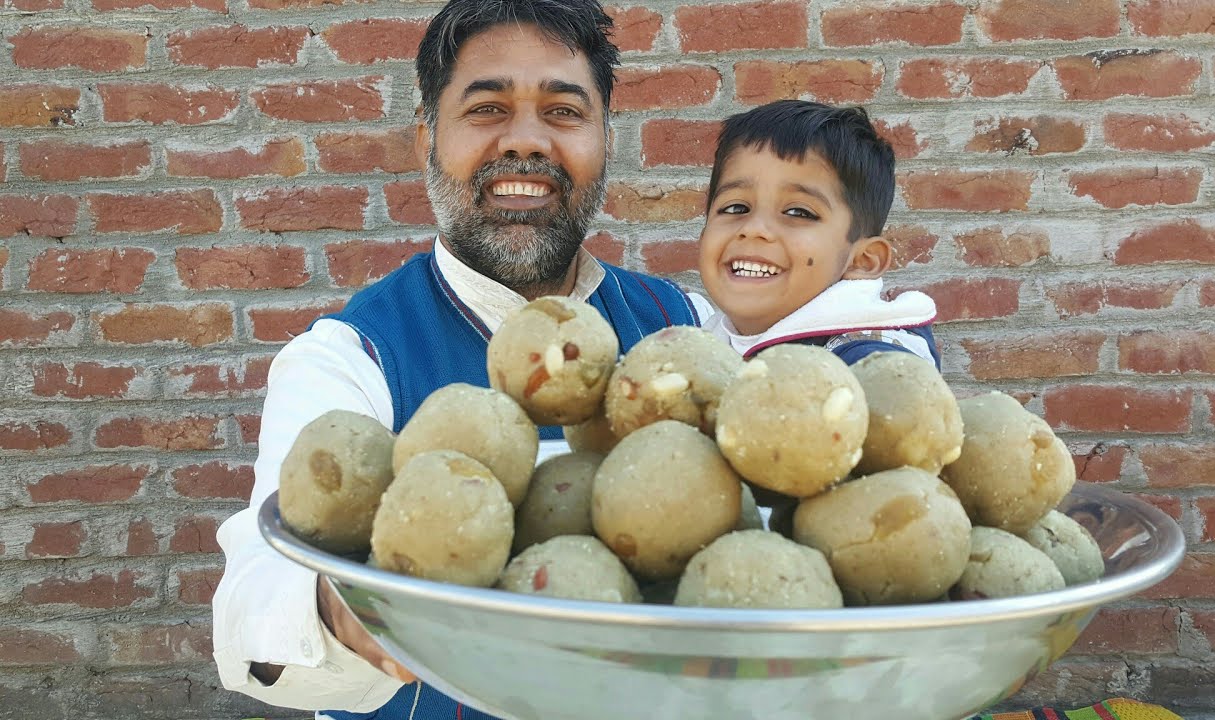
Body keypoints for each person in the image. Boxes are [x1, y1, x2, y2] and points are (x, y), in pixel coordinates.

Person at [211, 1, 711, 717]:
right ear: (426, 138)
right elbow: (252, 609)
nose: (527, 142)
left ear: (606, 139)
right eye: (487, 108)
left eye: (565, 113)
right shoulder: (351, 357)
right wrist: (341, 610)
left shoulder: (684, 327)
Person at [696, 100, 940, 368]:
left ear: (864, 260)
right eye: (735, 207)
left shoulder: (867, 358)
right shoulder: (703, 340)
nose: (753, 228)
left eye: (798, 212)